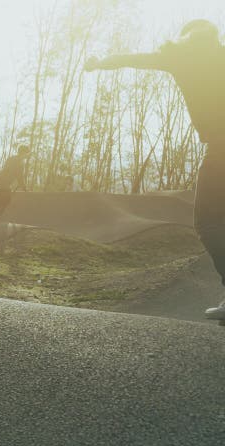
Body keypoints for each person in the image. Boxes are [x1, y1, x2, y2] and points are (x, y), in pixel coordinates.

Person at [85, 19, 225, 323]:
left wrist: (98, 63)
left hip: (221, 149)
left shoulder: (179, 56)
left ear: (186, 36)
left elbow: (132, 60)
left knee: (207, 222)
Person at [0, 145, 31, 219]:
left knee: (4, 199)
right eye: (26, 153)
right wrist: (24, 187)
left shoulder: (12, 159)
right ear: (23, 153)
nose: (27, 156)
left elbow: (10, 171)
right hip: (4, 182)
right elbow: (19, 176)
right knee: (6, 199)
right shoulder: (19, 162)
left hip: (3, 181)